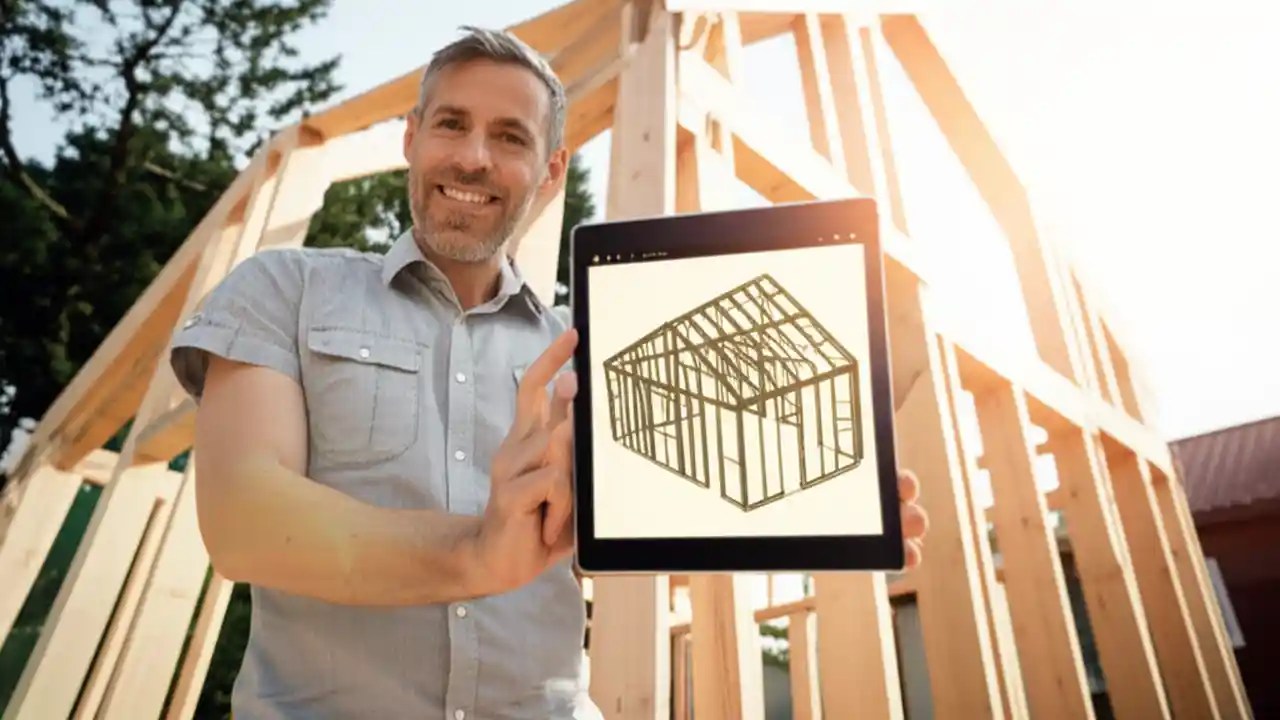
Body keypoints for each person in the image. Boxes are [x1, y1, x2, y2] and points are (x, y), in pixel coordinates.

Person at [169, 25, 930, 720]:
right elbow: (242, 519)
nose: (474, 157)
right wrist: (474, 552)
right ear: (412, 137)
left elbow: (651, 526)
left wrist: (820, 500)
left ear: (551, 170)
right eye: (451, 124)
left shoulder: (590, 350)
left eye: (510, 137)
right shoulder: (287, 289)